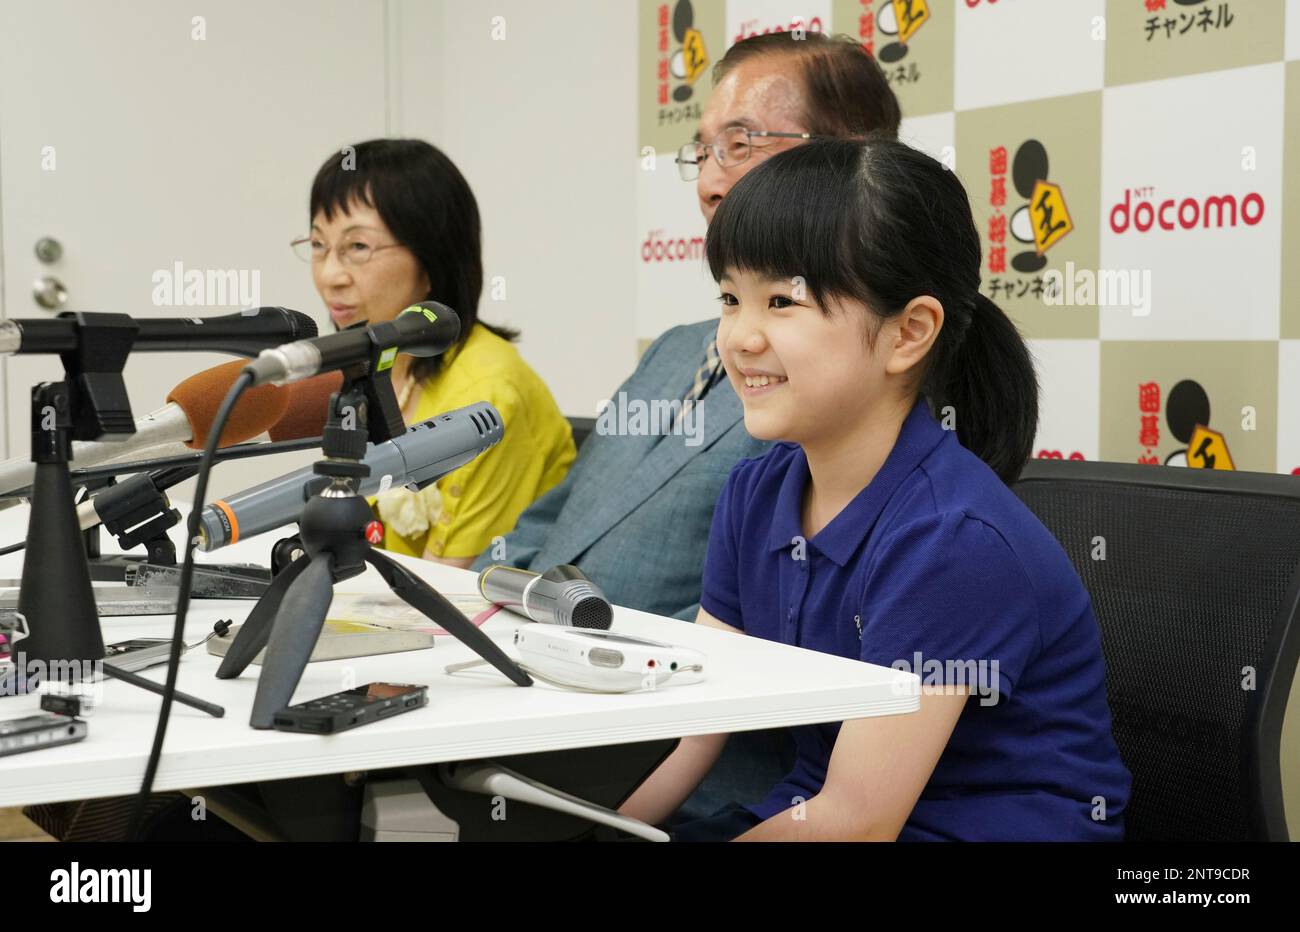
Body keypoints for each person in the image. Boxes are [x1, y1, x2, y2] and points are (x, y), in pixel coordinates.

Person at [618, 137, 1131, 841]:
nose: (738, 336)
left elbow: (857, 822)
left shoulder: (950, 540)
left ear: (908, 333)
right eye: (731, 298)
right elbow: (695, 732)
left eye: (780, 301)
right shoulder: (754, 492)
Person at [473, 32, 901, 820]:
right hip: (533, 715)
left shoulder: (864, 383)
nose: (709, 184)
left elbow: (786, 632)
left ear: (849, 159)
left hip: (708, 773)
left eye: (738, 145)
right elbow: (552, 528)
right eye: (700, 152)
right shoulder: (676, 351)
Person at [297, 138, 576, 568]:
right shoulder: (377, 368)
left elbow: (447, 589)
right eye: (318, 245)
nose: (331, 275)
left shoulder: (488, 393)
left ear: (431, 260)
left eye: (357, 247)